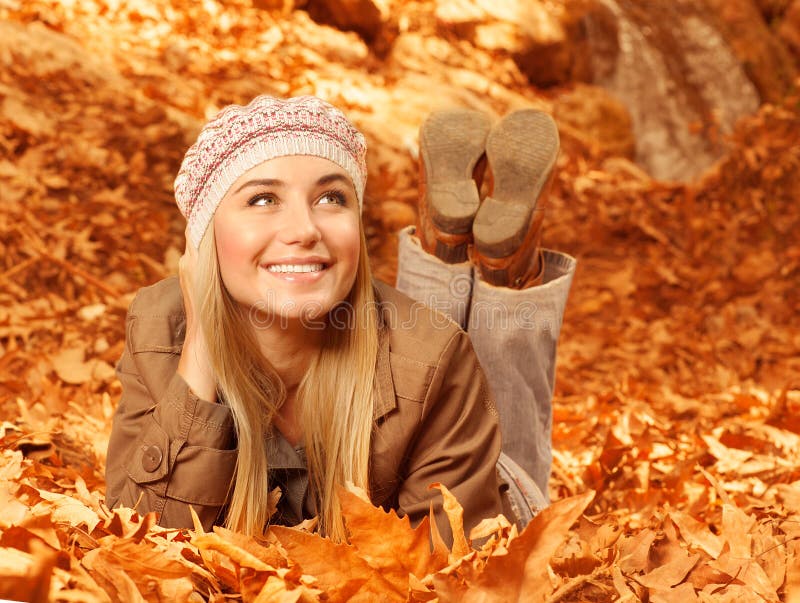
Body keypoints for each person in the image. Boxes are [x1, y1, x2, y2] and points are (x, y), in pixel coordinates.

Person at [105, 95, 574, 544]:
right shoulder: (160, 330)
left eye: (331, 198)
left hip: (488, 497)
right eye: (263, 200)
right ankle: (465, 252)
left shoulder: (435, 355)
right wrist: (202, 353)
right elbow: (144, 551)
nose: (305, 230)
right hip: (423, 384)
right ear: (204, 236)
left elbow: (445, 576)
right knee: (420, 345)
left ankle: (503, 274)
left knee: (492, 416)